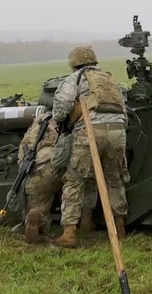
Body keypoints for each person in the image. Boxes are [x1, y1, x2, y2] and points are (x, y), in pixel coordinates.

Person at [51, 46, 129, 248]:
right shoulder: (109, 79)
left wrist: (61, 120)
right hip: (118, 131)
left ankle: (69, 233)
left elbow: (61, 108)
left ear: (73, 64)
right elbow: (124, 110)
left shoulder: (76, 78)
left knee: (75, 179)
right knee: (114, 178)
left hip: (90, 129)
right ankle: (119, 228)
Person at [15, 112, 97, 244]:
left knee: (39, 204)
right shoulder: (73, 118)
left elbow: (22, 154)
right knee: (86, 176)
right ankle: (86, 222)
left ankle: (39, 220)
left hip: (36, 168)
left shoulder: (38, 122)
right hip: (62, 164)